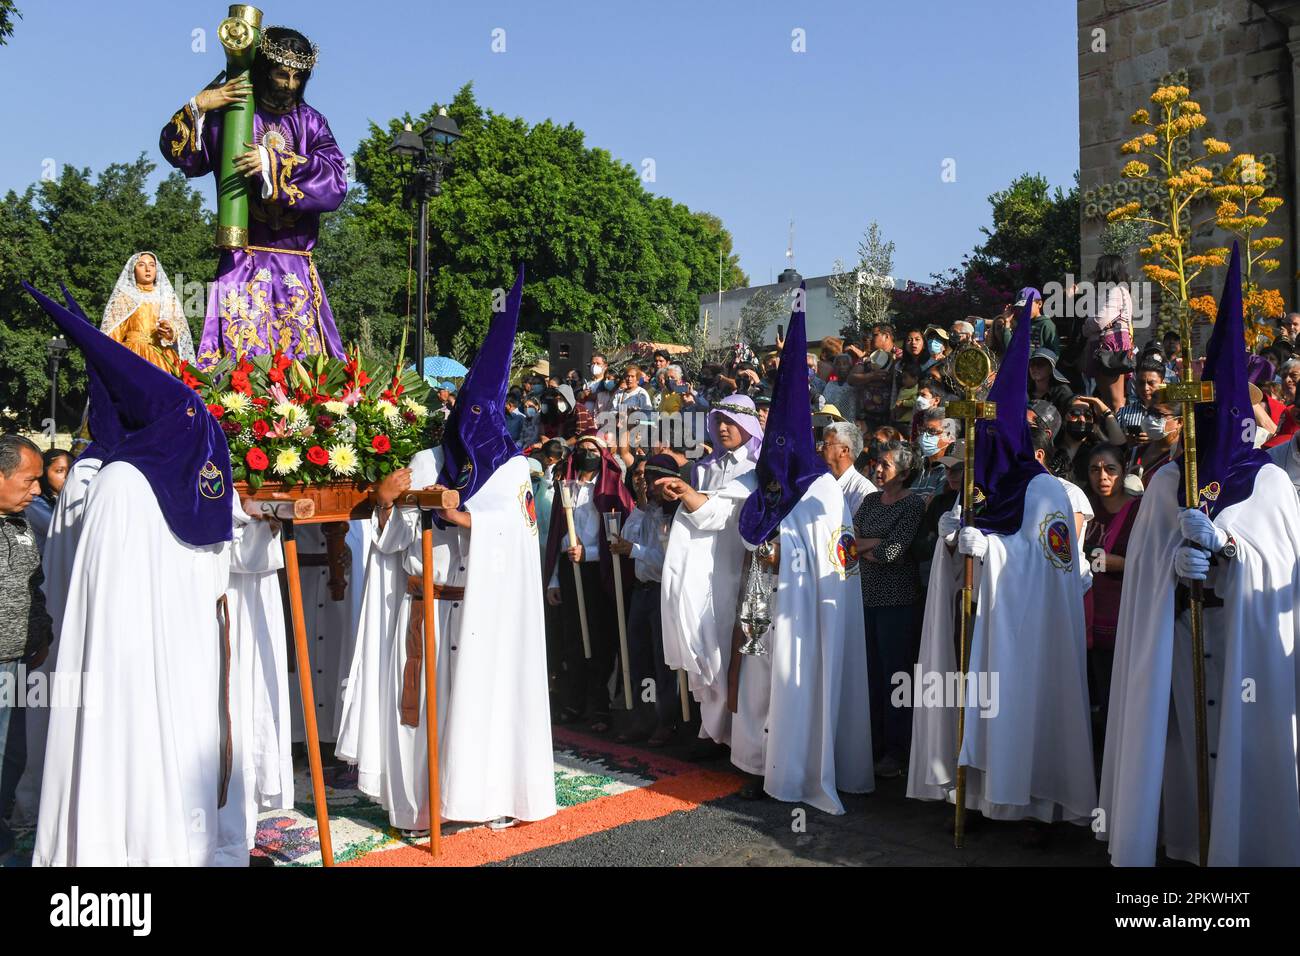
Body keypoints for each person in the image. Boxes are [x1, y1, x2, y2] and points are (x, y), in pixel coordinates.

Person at [25, 283, 248, 866]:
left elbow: (96, 592)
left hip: (124, 660)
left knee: (124, 753)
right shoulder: (196, 473)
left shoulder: (119, 483)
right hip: (190, 653)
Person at [1100, 246, 1300, 866]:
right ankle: (1189, 845)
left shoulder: (1270, 483)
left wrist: (1230, 549)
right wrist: (1168, 571)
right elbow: (1142, 585)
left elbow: (1283, 571)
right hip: (1183, 642)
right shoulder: (1167, 481)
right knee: (1186, 755)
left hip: (1245, 652)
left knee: (1245, 758)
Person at [339, 268, 556, 832]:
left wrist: (467, 519)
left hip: (482, 610)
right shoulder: (429, 460)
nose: (473, 425)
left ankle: (480, 800)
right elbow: (385, 525)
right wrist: (385, 500)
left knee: (478, 705)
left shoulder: (512, 469)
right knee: (422, 712)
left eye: (485, 416)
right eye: (467, 413)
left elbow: (521, 534)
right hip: (425, 609)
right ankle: (418, 806)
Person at [664, 288, 872, 811]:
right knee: (755, 686)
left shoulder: (823, 488)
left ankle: (798, 765)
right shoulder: (763, 482)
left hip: (803, 612)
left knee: (791, 685)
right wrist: (697, 501)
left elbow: (836, 552)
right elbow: (730, 513)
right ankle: (758, 764)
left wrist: (788, 557)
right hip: (759, 603)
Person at [908, 293, 1095, 836]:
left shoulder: (1045, 491)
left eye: (989, 437)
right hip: (978, 624)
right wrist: (952, 538)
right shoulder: (981, 488)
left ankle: (1041, 807)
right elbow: (964, 535)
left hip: (1029, 633)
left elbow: (1054, 565)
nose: (979, 447)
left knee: (1027, 709)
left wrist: (989, 550)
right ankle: (981, 799)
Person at [160, 26, 347, 366]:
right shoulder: (232, 115)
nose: (289, 85)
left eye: (297, 77)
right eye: (281, 74)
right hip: (241, 261)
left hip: (295, 268)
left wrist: (271, 163)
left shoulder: (312, 123)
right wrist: (199, 106)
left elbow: (336, 183)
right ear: (264, 70)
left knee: (304, 372)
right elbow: (182, 156)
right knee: (238, 367)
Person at [543, 432, 634, 732]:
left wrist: (589, 553)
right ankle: (573, 701)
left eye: (592, 449)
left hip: (598, 573)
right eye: (581, 448)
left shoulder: (611, 489)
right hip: (570, 572)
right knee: (572, 639)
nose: (586, 453)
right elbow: (558, 535)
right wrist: (554, 579)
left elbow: (616, 538)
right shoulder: (565, 489)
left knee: (598, 639)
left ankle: (600, 706)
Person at [855, 440, 925, 778]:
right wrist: (873, 545)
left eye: (885, 464)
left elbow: (893, 552)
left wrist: (869, 547)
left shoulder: (913, 505)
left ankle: (898, 750)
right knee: (870, 674)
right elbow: (847, 540)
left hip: (897, 601)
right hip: (866, 597)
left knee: (896, 675)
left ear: (905, 472)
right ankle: (873, 742)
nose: (877, 470)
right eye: (876, 463)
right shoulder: (870, 500)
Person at [0, 434, 51, 859]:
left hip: (18, 663)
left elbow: (34, 586)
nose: (36, 490)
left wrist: (42, 631)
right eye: (29, 479)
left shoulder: (22, 523)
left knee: (13, 754)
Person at [610, 454, 680, 745]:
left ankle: (668, 720)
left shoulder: (676, 514)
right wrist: (639, 505)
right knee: (639, 659)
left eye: (651, 480)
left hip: (664, 593)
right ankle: (645, 717)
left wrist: (635, 550)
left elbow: (669, 561)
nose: (646, 485)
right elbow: (623, 538)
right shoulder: (647, 510)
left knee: (662, 661)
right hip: (642, 592)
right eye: (643, 479)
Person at [1080, 444, 1140, 731]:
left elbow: (1154, 561)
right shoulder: (1083, 510)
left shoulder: (1140, 511)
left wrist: (1122, 564)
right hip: (1088, 617)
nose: (1102, 476)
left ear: (1124, 472)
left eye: (1110, 469)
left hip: (1125, 618)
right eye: (1095, 469)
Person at [100, 251, 195, 374]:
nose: (147, 269)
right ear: (133, 270)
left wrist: (170, 331)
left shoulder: (166, 297)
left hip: (162, 356)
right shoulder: (125, 298)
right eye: (141, 265)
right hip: (133, 355)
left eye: (152, 265)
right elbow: (113, 334)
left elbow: (180, 328)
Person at [1082, 255, 1135, 412]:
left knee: (1114, 400)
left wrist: (1085, 326)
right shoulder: (1121, 290)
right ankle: (1113, 431)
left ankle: (1117, 432)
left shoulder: (1115, 291)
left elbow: (1100, 321)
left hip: (1109, 346)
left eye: (1099, 268)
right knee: (1111, 399)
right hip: (1114, 344)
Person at [821, 421, 876, 514]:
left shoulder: (864, 492)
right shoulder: (819, 481)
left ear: (844, 451)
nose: (820, 448)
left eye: (825, 444)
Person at [23, 448, 72, 549]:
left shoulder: (65, 498)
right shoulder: (34, 503)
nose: (67, 476)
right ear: (44, 473)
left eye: (71, 470)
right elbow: (63, 532)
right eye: (59, 471)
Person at [910, 408, 956, 500]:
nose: (925, 436)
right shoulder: (915, 467)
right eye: (924, 430)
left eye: (932, 431)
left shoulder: (950, 473)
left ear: (950, 437)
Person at [1027, 347, 1074, 421]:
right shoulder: (1024, 389)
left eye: (1040, 364)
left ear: (1051, 369)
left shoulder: (1062, 391)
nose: (1035, 367)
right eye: (1032, 364)